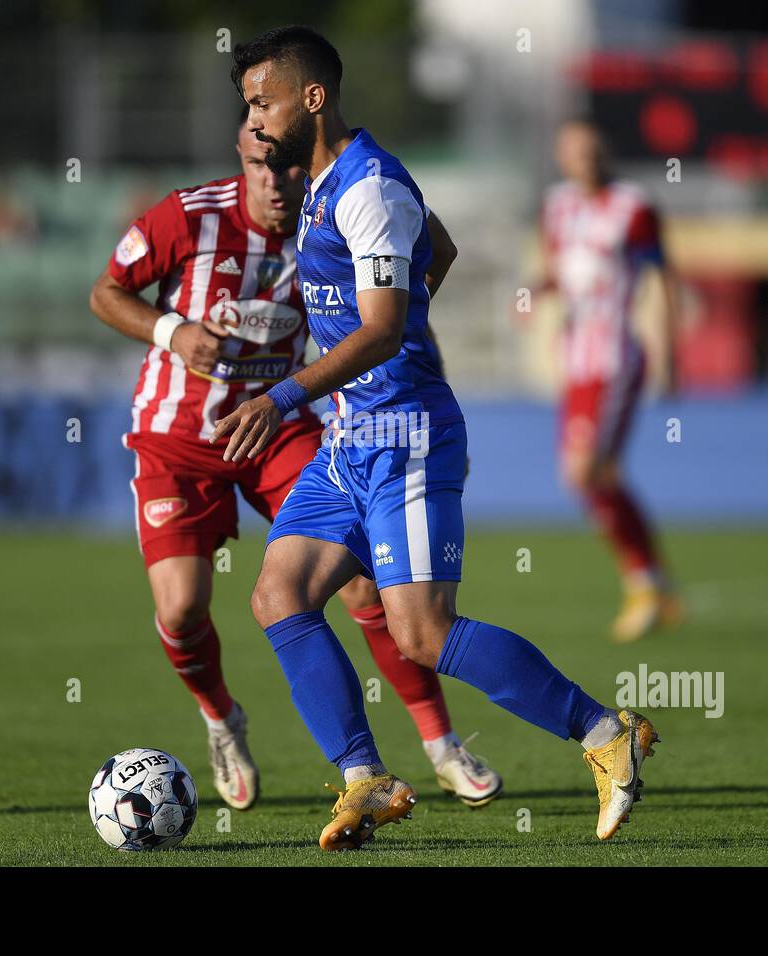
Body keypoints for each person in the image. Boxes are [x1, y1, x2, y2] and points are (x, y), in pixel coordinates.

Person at [216, 25, 660, 851]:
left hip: (406, 438)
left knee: (419, 630)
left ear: (313, 97)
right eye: (248, 106)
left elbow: (382, 328)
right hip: (351, 442)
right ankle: (366, 779)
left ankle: (606, 732)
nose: (255, 121)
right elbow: (440, 246)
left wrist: (287, 394)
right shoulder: (325, 184)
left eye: (263, 102)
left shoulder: (366, 187)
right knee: (279, 595)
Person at [88, 108, 502, 812]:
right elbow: (106, 293)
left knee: (366, 589)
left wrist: (393, 320)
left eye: (286, 167)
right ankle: (222, 718)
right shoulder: (188, 217)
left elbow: (436, 247)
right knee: (184, 607)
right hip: (178, 437)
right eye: (260, 167)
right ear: (240, 160)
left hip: (283, 429)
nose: (276, 184)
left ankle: (440, 743)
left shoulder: (341, 202)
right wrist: (173, 330)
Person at [524, 117, 684, 642]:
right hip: (576, 361)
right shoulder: (558, 207)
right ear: (563, 158)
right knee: (598, 478)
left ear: (604, 153)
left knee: (582, 473)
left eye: (593, 151)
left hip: (615, 359)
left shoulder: (632, 208)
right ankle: (654, 584)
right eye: (574, 153)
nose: (585, 161)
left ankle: (644, 584)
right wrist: (534, 293)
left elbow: (662, 276)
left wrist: (669, 350)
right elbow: (559, 270)